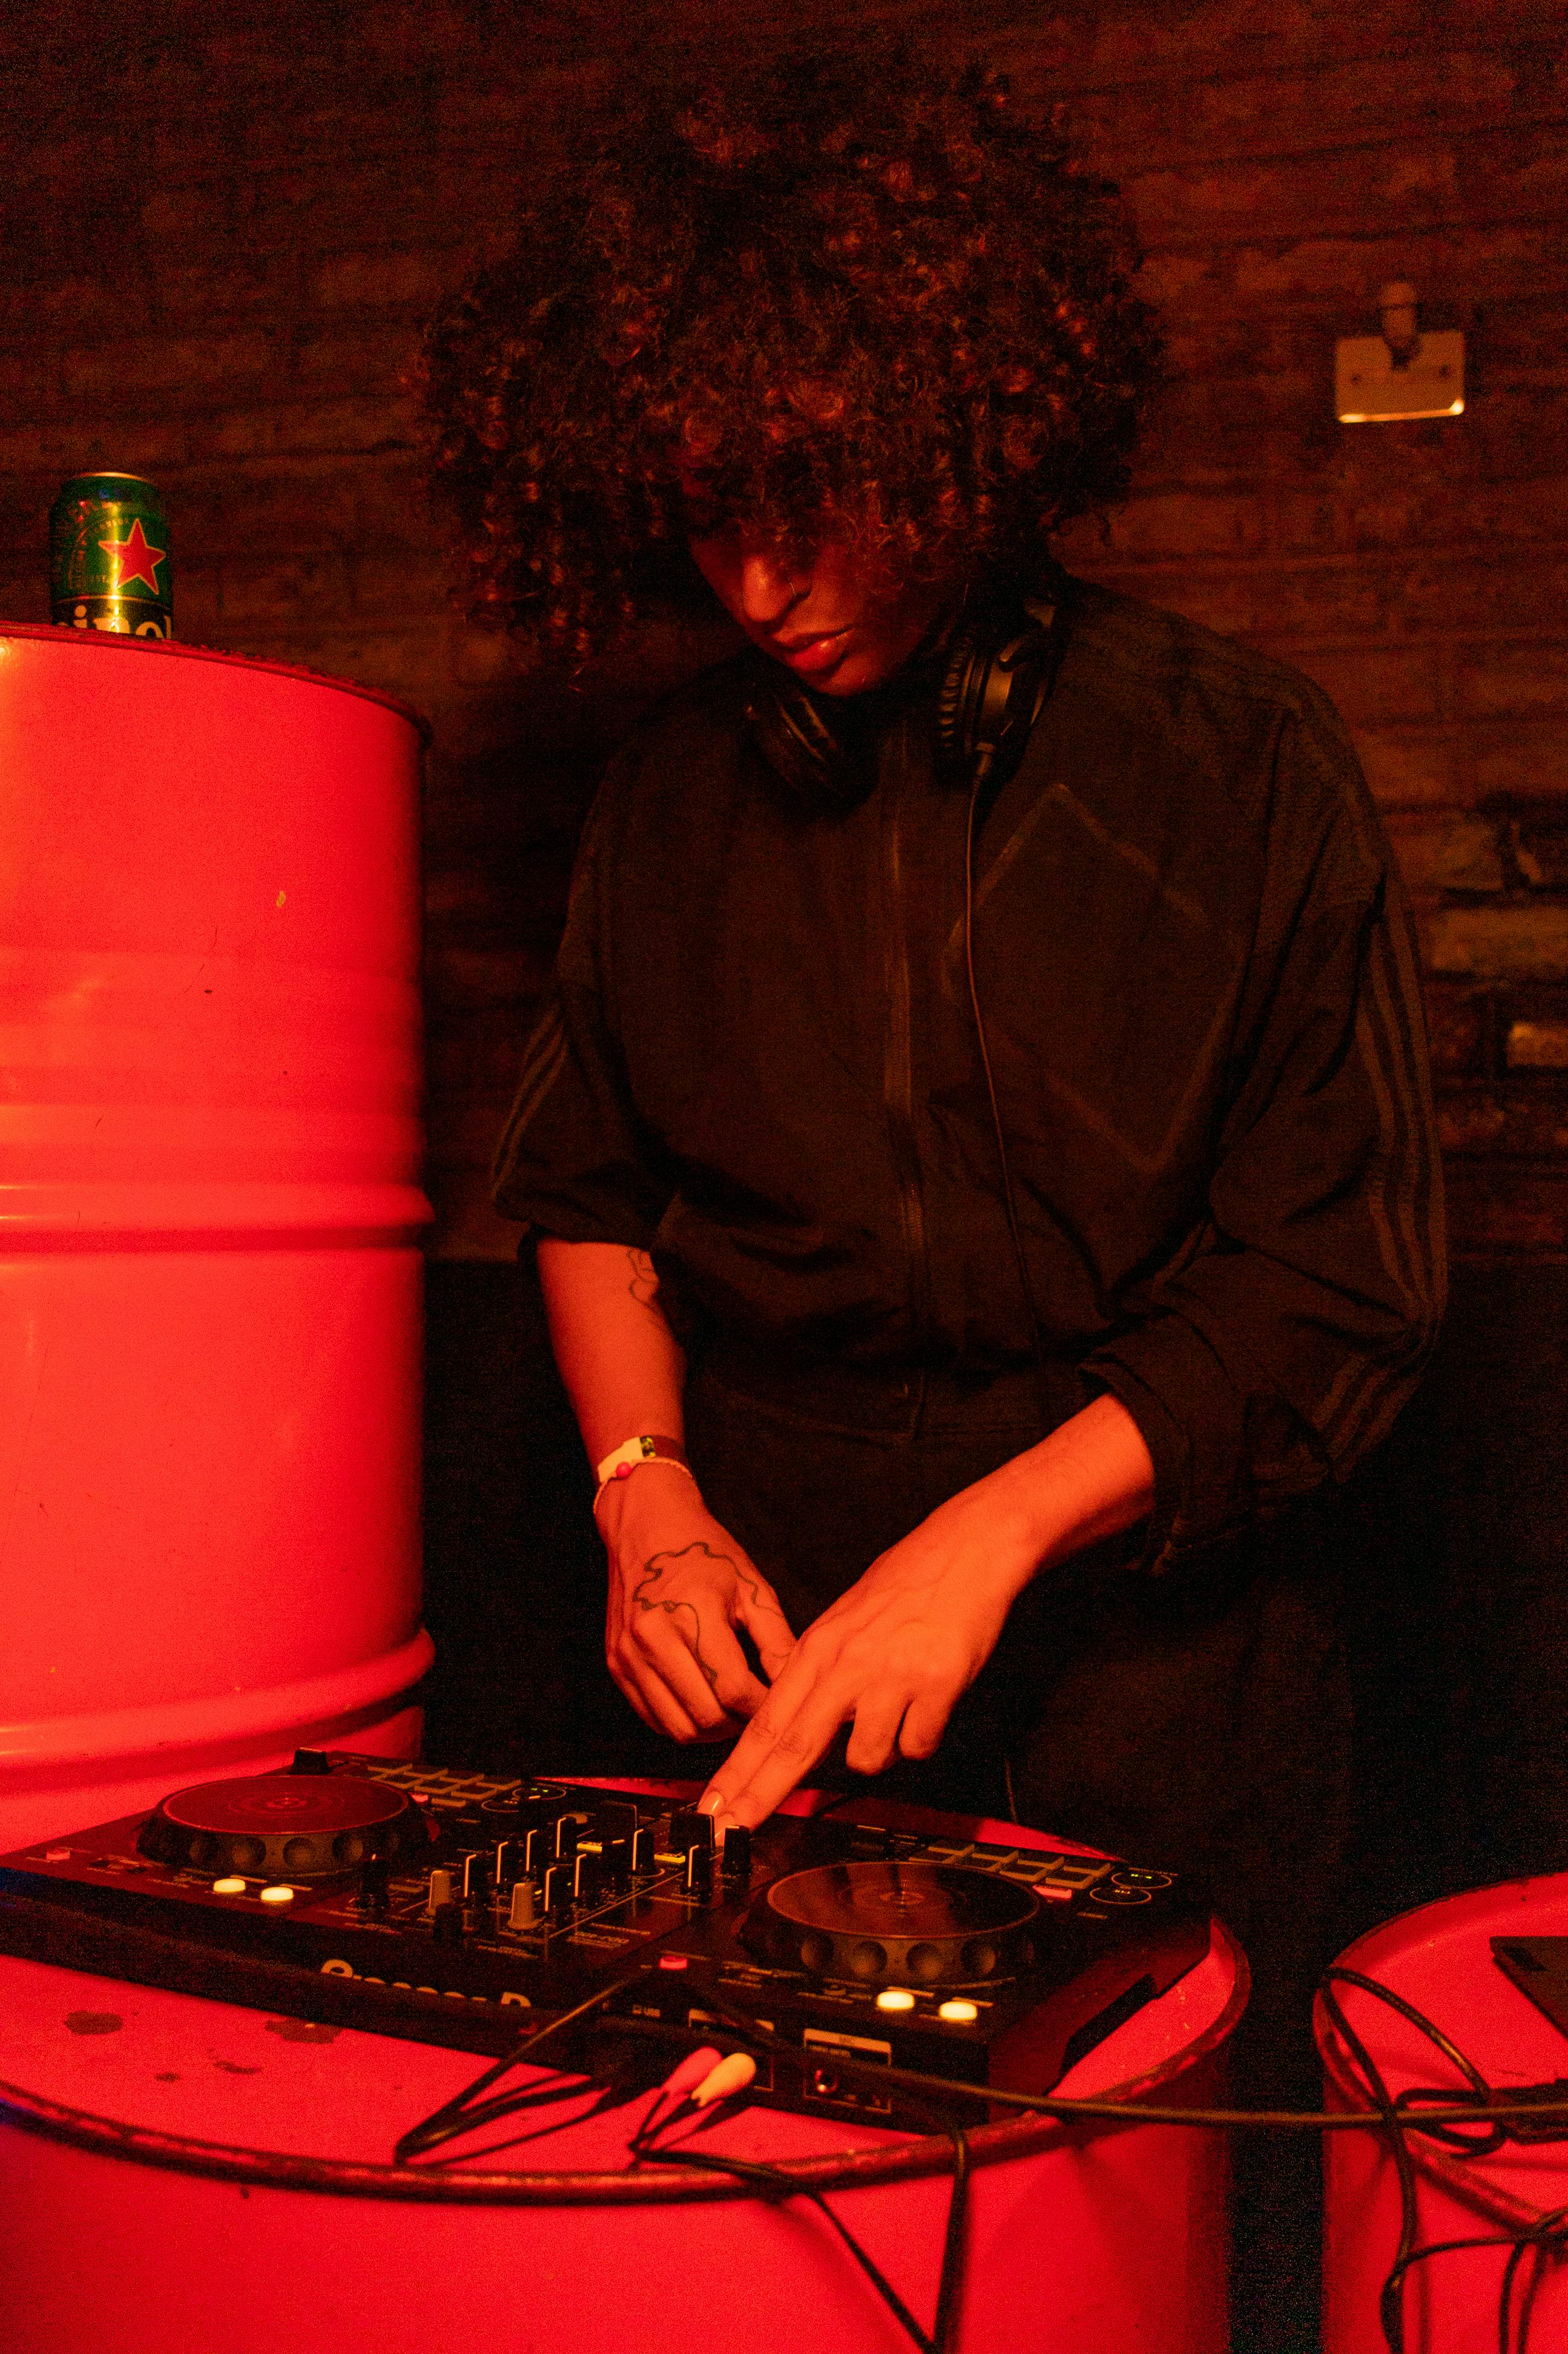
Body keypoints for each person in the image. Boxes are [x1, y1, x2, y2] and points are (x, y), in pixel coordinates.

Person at [421, 36, 1443, 2230]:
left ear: (963, 439)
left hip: (1162, 1696)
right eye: (706, 517)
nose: (760, 583)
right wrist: (646, 1497)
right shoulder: (671, 802)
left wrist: (987, 1540)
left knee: (1134, 2247)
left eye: (812, 496)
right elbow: (583, 1199)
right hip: (767, 1684)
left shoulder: (1242, 766)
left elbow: (1342, 1279)